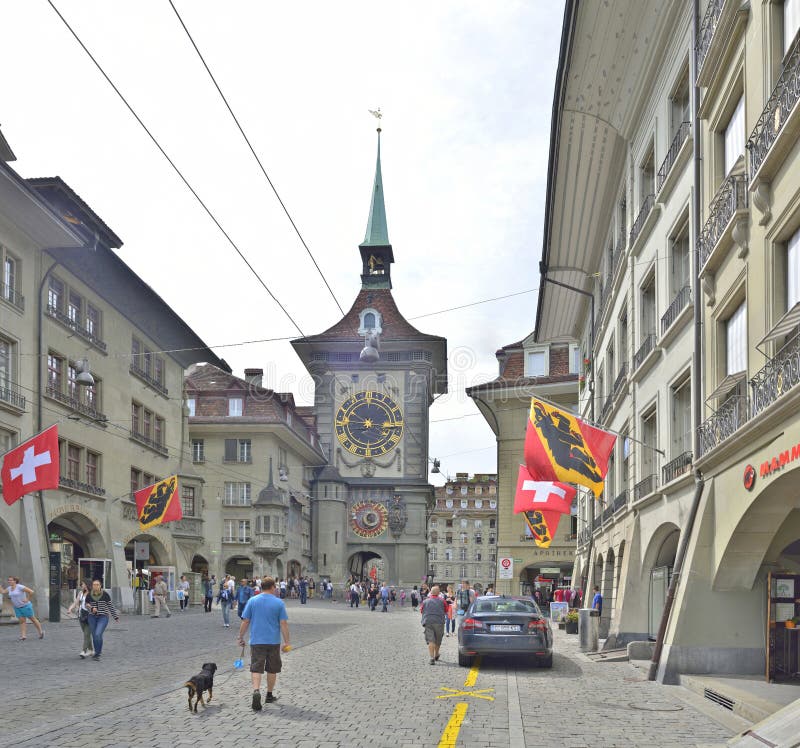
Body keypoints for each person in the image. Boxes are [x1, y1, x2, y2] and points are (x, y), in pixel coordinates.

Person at [238, 577, 290, 711]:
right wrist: (287, 641)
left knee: (256, 667)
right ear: (272, 587)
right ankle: (269, 695)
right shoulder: (279, 603)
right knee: (272, 668)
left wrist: (240, 637)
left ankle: (256, 691)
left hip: (257, 641)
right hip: (273, 641)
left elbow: (245, 621)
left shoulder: (252, 600)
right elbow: (283, 623)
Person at [0, 576, 44, 640]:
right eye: (8, 580)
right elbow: (3, 592)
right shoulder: (9, 588)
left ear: (15, 581)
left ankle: (41, 632)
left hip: (25, 606)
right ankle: (23, 636)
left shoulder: (20, 587)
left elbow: (31, 592)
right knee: (22, 621)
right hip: (17, 607)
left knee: (33, 619)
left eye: (11, 580)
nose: (9, 581)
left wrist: (27, 599)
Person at [85, 578, 119, 660]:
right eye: (94, 585)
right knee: (94, 635)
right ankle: (97, 652)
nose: (95, 586)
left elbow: (110, 606)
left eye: (97, 585)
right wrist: (91, 608)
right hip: (92, 617)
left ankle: (97, 653)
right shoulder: (89, 595)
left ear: (100, 586)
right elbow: (86, 605)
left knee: (98, 634)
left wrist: (115, 616)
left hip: (103, 617)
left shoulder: (105, 595)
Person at [420, 585, 446, 665]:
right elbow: (446, 610)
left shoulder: (425, 601)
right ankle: (436, 654)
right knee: (438, 640)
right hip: (439, 622)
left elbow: (421, 610)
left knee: (431, 640)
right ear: (438, 593)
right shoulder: (442, 601)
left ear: (431, 592)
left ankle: (431, 658)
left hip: (428, 622)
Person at [67, 580, 93, 657]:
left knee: (86, 634)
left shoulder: (92, 594)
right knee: (86, 634)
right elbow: (76, 603)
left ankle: (83, 651)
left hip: (90, 616)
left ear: (87, 585)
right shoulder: (81, 593)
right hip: (81, 616)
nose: (81, 585)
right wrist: (70, 609)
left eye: (83, 584)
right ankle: (91, 650)